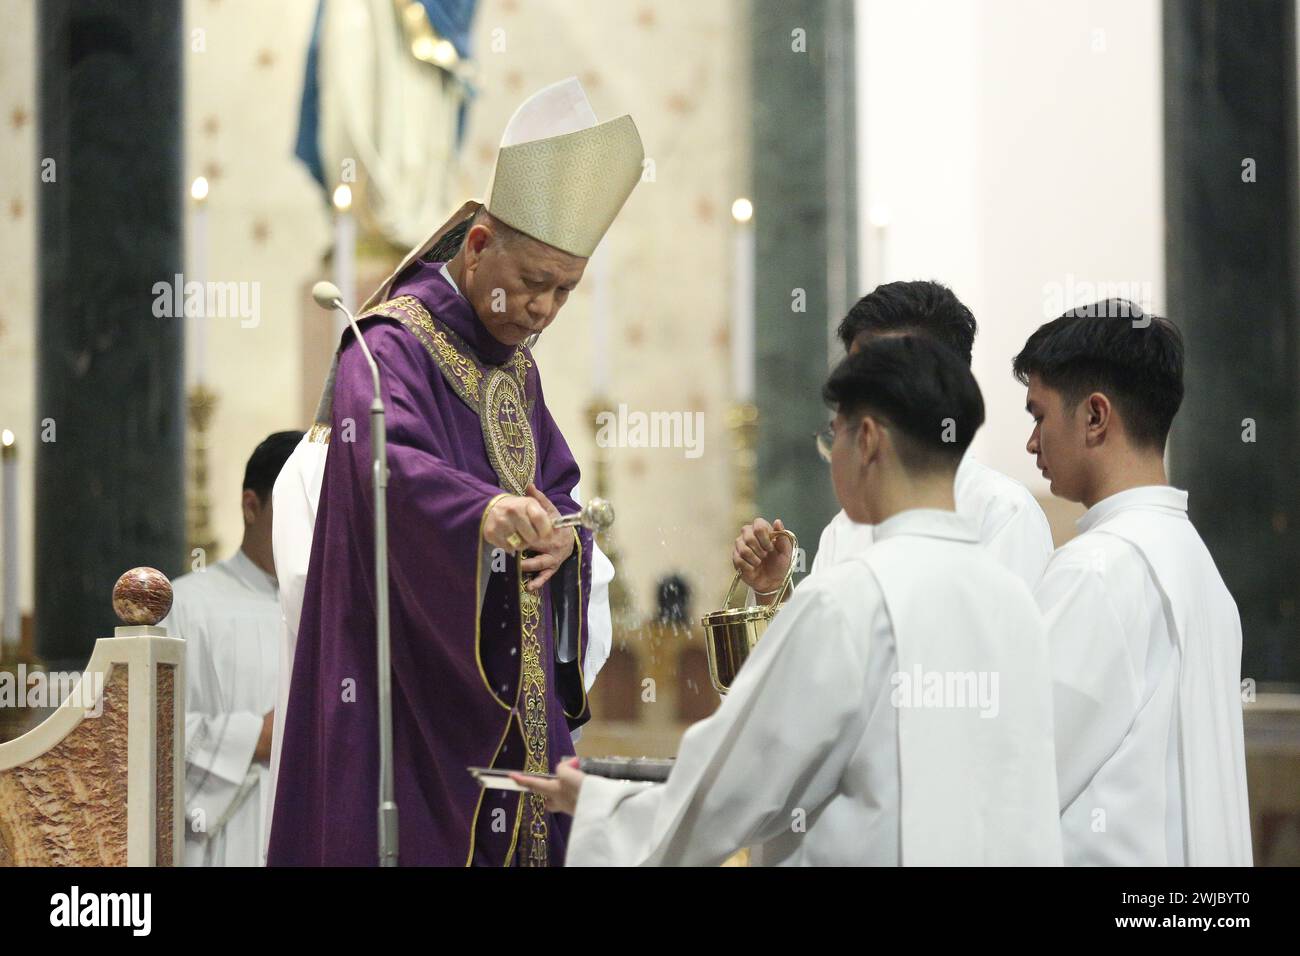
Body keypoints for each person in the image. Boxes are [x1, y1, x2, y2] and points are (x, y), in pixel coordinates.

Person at [267, 78, 642, 867]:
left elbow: (561, 492)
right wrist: (480, 515)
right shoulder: (386, 346)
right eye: (534, 281)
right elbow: (381, 465)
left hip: (520, 708)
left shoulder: (515, 371)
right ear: (478, 247)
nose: (543, 309)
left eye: (564, 292)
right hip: (412, 702)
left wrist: (564, 543)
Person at [516, 335, 1062, 866]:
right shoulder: (1013, 600)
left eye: (834, 435)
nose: (832, 456)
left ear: (867, 439)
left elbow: (746, 783)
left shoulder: (852, 598)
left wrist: (599, 804)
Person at [1014, 299, 1251, 866]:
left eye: (1038, 415)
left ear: (1095, 416)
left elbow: (1016, 776)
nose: (1031, 443)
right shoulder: (1197, 565)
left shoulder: (1099, 568)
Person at [734, 280, 1053, 600]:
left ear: (947, 380)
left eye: (884, 375)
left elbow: (1003, 644)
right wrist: (773, 590)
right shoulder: (845, 527)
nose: (860, 393)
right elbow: (815, 646)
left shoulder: (1002, 512)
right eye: (857, 373)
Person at [161, 430, 302, 866]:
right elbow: (148, 736)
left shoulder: (341, 614)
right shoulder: (183, 604)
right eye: (295, 513)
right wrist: (255, 737)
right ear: (251, 507)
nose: (309, 531)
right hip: (219, 842)